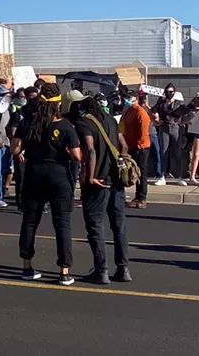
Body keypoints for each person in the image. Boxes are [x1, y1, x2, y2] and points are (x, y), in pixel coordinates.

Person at [12, 83, 81, 286]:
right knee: (62, 224)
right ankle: (64, 271)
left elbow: (15, 149)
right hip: (59, 175)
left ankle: (27, 266)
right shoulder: (66, 126)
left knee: (30, 220)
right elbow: (76, 156)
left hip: (34, 174)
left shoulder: (28, 122)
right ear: (58, 103)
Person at [76, 96, 132, 284]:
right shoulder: (111, 120)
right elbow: (124, 145)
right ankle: (123, 268)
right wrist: (121, 165)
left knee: (95, 225)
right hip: (116, 179)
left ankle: (101, 270)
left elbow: (90, 150)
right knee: (119, 226)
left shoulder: (84, 123)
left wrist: (90, 176)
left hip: (98, 180)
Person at [121, 90, 151, 208]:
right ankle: (137, 197)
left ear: (136, 99)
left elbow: (143, 133)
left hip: (141, 147)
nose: (127, 100)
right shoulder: (128, 111)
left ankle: (142, 198)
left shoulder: (141, 113)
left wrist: (139, 146)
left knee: (142, 173)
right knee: (134, 173)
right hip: (131, 145)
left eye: (130, 98)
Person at [152, 83, 186, 186]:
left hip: (175, 127)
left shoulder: (178, 103)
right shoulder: (161, 103)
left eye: (171, 92)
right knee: (164, 152)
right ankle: (162, 176)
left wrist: (182, 123)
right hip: (164, 127)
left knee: (177, 152)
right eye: (168, 91)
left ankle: (179, 177)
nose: (169, 93)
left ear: (174, 92)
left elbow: (188, 114)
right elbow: (152, 111)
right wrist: (156, 119)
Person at [141, 91, 162, 178]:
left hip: (152, 133)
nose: (144, 100)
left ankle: (158, 173)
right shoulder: (139, 109)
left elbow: (156, 120)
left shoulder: (150, 109)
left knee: (157, 154)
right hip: (144, 134)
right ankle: (145, 173)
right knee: (145, 155)